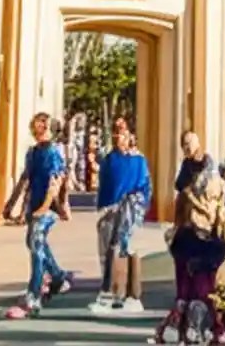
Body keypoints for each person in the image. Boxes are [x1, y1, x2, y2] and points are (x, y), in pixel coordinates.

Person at [4, 112, 74, 320]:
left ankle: (33, 296)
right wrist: (11, 204)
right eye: (35, 127)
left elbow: (55, 184)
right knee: (35, 242)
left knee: (35, 243)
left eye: (42, 127)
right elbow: (25, 179)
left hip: (49, 208)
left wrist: (43, 208)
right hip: (35, 205)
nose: (38, 131)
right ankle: (59, 277)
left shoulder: (53, 154)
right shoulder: (33, 153)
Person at [159, 153, 225, 345]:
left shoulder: (199, 193)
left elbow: (220, 218)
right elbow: (180, 220)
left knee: (196, 291)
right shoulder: (198, 193)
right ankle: (194, 328)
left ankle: (190, 328)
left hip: (200, 244)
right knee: (197, 290)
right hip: (195, 243)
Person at [89, 128, 152, 314]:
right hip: (110, 211)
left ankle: (128, 295)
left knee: (125, 251)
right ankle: (114, 294)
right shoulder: (109, 160)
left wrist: (135, 206)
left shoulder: (138, 161)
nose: (118, 138)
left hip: (130, 213)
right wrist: (103, 207)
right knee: (110, 251)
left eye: (122, 135)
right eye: (115, 135)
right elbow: (105, 186)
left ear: (130, 137)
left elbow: (145, 187)